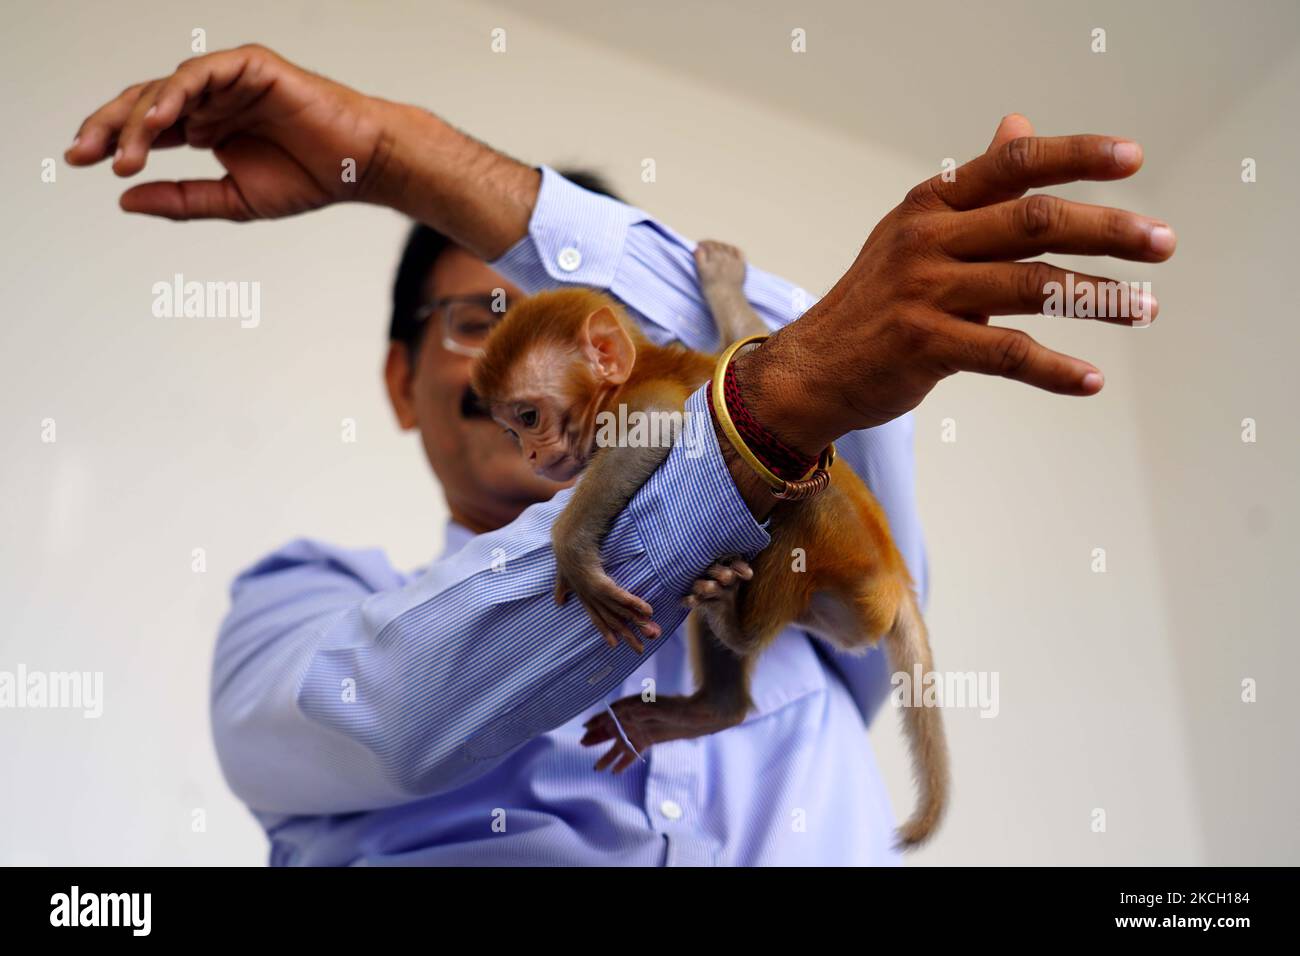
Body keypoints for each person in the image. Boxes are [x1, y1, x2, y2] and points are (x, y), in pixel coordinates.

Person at [67, 45, 1174, 865]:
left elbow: (796, 354)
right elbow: (394, 714)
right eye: (470, 329)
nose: (518, 406)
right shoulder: (301, 605)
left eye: (531, 334)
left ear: (608, 345)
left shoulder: (800, 580)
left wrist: (412, 156)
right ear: (402, 386)